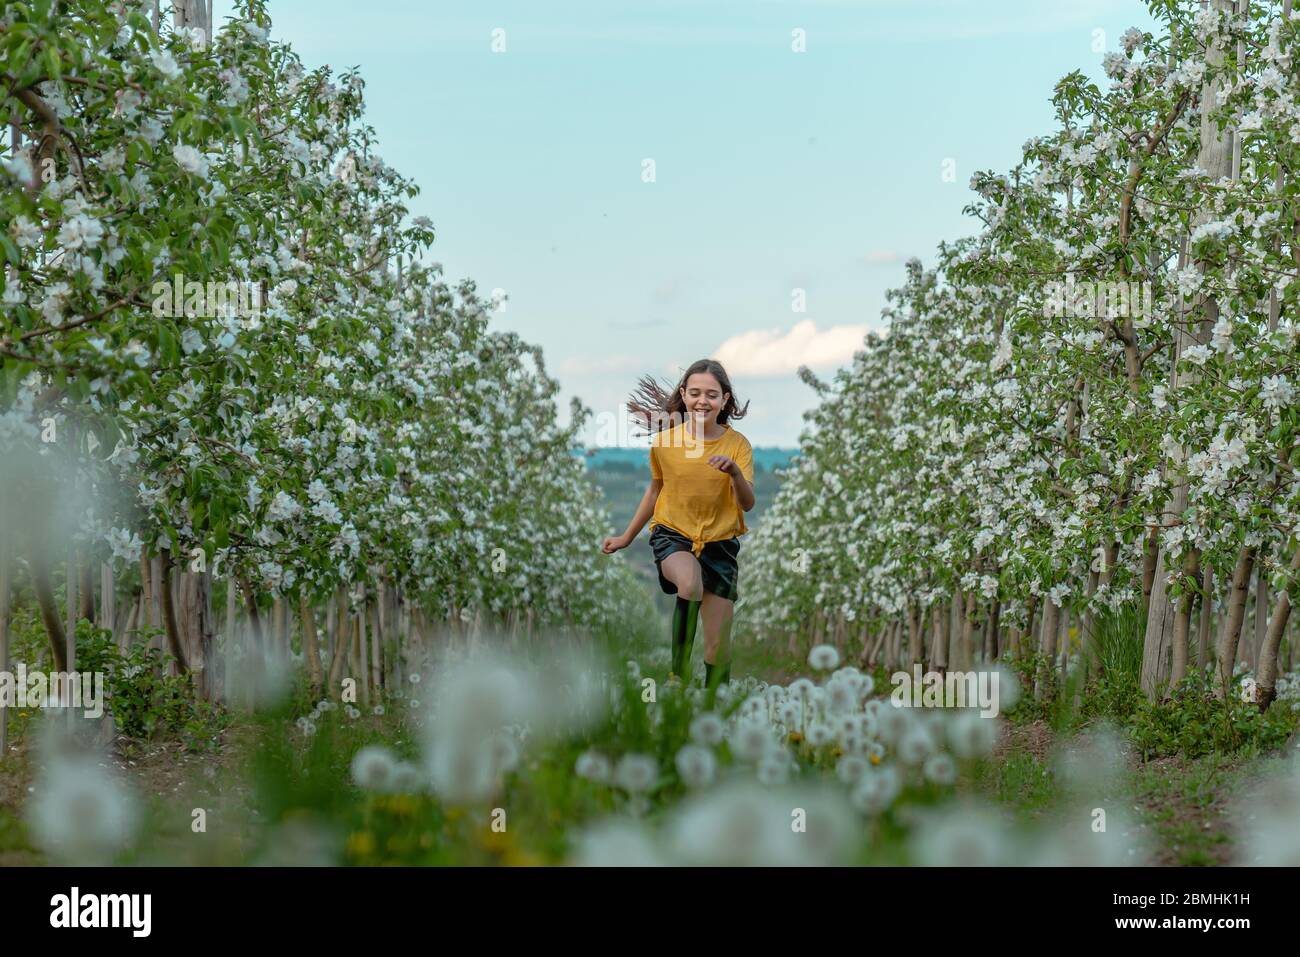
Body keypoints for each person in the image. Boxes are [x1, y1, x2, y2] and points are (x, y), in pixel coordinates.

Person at [601, 359, 754, 706]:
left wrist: (734, 474)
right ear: (683, 395)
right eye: (695, 392)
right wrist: (626, 537)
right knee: (689, 583)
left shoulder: (738, 446)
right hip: (673, 536)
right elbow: (655, 491)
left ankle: (716, 711)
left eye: (712, 395)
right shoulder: (665, 443)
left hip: (720, 546)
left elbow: (747, 504)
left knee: (719, 645)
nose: (703, 401)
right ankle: (677, 676)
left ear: (725, 400)